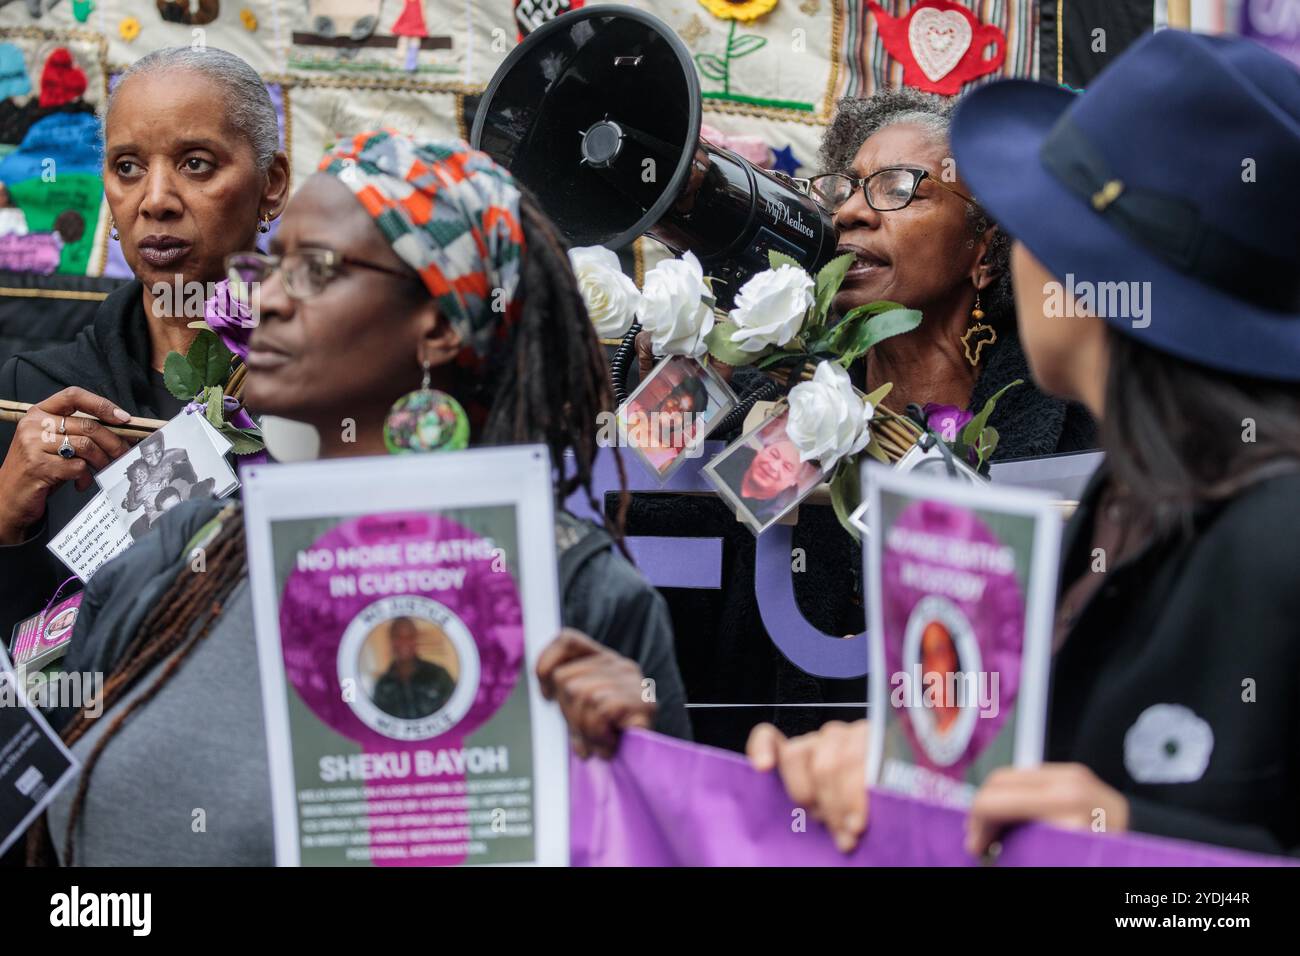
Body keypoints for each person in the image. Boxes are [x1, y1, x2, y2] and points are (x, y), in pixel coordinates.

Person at [31, 132, 689, 866]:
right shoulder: (185, 548)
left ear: (437, 325)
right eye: (270, 267)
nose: (265, 301)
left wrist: (634, 774)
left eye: (314, 270)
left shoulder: (568, 589)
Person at [747, 30, 1300, 857]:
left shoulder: (1277, 536)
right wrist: (903, 773)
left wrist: (1136, 849)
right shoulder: (1119, 505)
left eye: (1035, 215)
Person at [0, 46, 290, 634]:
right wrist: (6, 523)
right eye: (127, 167)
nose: (155, 199)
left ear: (272, 184)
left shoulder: (337, 387)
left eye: (197, 164)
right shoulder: (35, 392)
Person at [370, 617, 456, 720]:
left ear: (416, 638)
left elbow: (455, 712)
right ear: (391, 639)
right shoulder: (382, 686)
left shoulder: (439, 675)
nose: (404, 641)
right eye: (398, 636)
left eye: (409, 636)